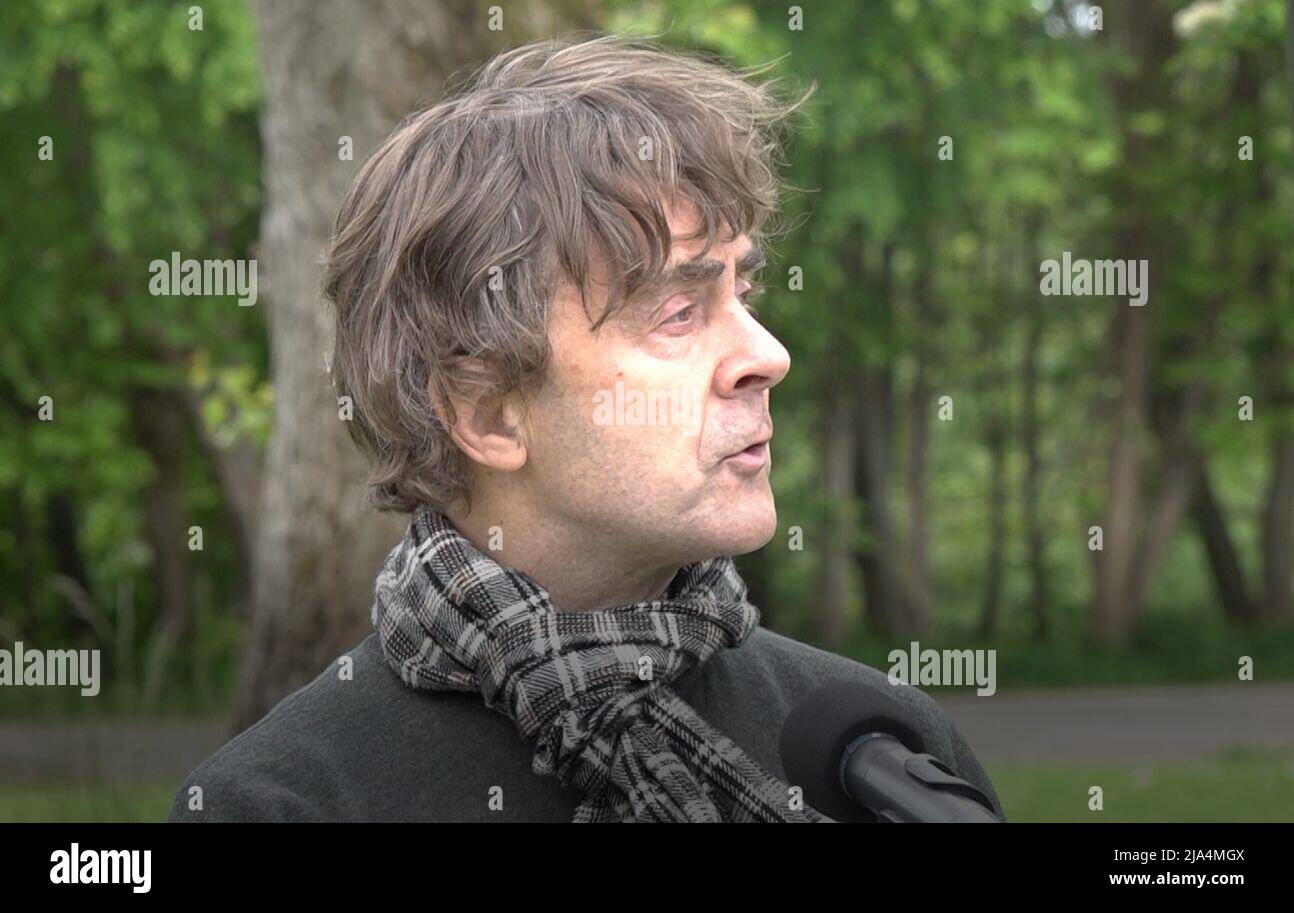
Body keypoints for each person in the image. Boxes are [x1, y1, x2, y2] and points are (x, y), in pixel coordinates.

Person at [169, 32, 1003, 823]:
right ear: (487, 411)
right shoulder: (286, 804)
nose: (767, 356)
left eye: (742, 295)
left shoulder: (882, 760)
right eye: (680, 311)